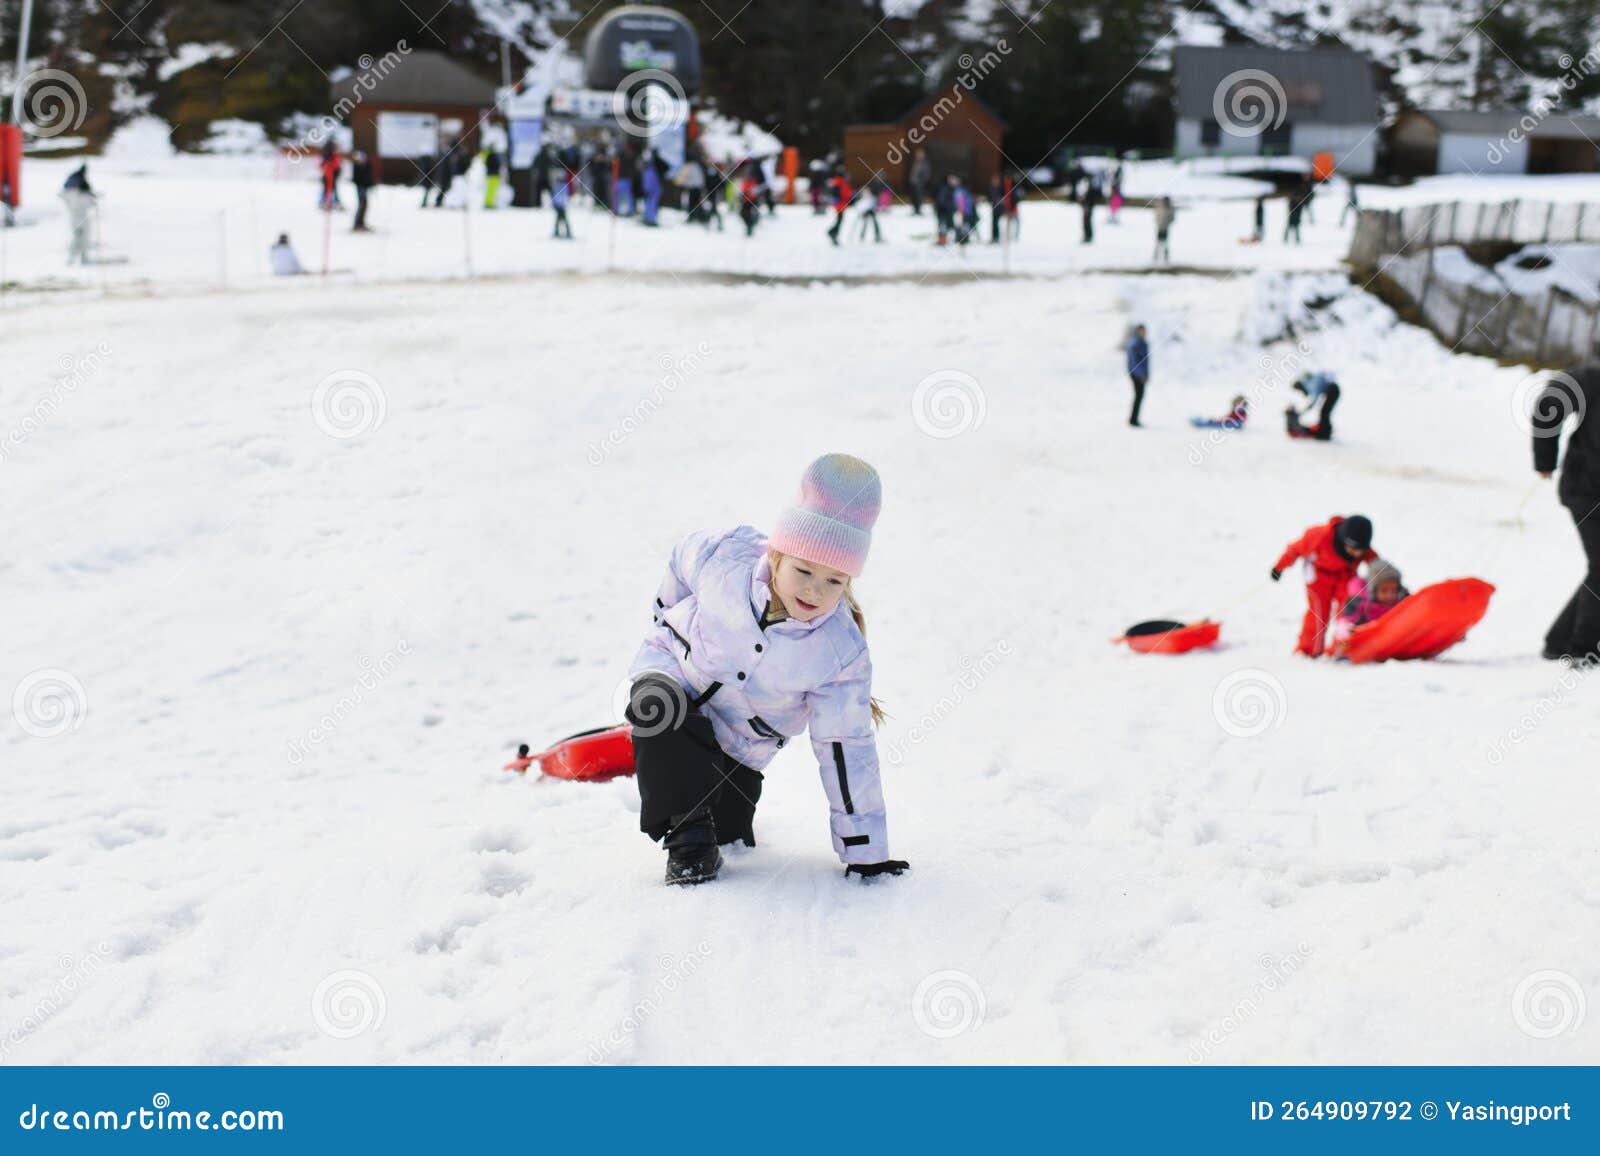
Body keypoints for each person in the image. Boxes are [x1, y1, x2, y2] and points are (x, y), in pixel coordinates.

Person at [623, 454, 906, 886]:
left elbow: (845, 747)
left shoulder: (838, 654)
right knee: (657, 708)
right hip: (672, 684)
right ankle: (689, 846)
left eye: (835, 581)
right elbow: (682, 558)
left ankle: (709, 821)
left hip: (735, 753)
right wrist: (666, 620)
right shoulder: (727, 556)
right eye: (804, 570)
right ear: (776, 556)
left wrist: (866, 851)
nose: (815, 589)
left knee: (731, 831)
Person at [1533, 368, 1600, 662]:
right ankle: (1582, 649)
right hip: (1585, 490)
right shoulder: (1593, 380)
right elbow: (1551, 401)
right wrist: (1545, 457)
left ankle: (1559, 640)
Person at [1271, 515, 1379, 657]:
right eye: (1352, 548)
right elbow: (1294, 550)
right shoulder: (1319, 537)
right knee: (1319, 613)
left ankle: (1343, 647)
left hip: (1344, 576)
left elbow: (1376, 564)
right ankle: (1309, 650)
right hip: (1319, 576)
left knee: (1349, 609)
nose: (1355, 553)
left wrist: (1387, 580)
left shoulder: (1362, 548)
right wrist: (1279, 568)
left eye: (1359, 550)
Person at [1332, 561, 1409, 651]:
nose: (1390, 595)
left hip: (1394, 642)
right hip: (1366, 642)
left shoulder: (1403, 600)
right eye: (1384, 591)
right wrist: (1345, 630)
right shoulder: (1359, 603)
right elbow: (1347, 621)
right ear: (1373, 591)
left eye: (1394, 590)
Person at [1286, 371, 1340, 440]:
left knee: (1324, 412)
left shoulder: (1311, 383)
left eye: (1299, 389)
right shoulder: (1310, 381)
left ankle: (1324, 433)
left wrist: (1305, 410)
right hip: (1333, 390)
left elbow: (1314, 398)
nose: (1301, 391)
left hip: (1333, 390)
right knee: (1324, 412)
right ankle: (1324, 431)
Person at [61, 164, 96, 265]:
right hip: (83, 219)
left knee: (76, 238)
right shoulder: (85, 195)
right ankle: (83, 258)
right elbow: (91, 203)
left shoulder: (71, 193)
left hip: (74, 219)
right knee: (83, 239)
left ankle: (72, 258)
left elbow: (64, 196)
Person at [1126, 324, 1150, 428]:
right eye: (1141, 331)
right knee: (1138, 395)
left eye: (1144, 331)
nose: (1143, 333)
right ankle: (1133, 419)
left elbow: (1146, 361)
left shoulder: (1143, 343)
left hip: (1142, 374)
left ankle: (1134, 418)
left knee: (1140, 396)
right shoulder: (1134, 344)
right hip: (1135, 374)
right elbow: (1134, 362)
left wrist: (1147, 374)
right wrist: (1140, 374)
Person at [826, 165, 853, 246]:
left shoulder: (839, 181)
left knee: (839, 220)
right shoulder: (838, 182)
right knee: (839, 221)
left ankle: (833, 233)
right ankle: (832, 232)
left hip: (842, 204)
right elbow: (837, 193)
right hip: (840, 204)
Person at [350, 150, 373, 232]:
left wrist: (370, 184)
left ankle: (361, 223)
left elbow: (368, 177)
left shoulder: (366, 165)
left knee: (364, 205)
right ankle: (357, 224)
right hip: (360, 188)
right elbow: (357, 179)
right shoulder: (357, 167)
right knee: (361, 205)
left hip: (364, 187)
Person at [640, 149, 663, 226]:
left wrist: (647, 189)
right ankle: (649, 218)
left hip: (652, 190)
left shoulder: (649, 170)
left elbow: (649, 181)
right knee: (650, 205)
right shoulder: (650, 169)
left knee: (651, 205)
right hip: (653, 189)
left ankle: (650, 219)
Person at [857, 176, 884, 242]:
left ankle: (876, 236)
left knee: (874, 223)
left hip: (871, 210)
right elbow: (862, 204)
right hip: (866, 210)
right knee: (866, 223)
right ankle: (862, 236)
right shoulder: (865, 196)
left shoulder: (872, 195)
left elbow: (874, 203)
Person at [934, 173, 958, 244]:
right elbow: (941, 200)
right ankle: (942, 240)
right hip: (943, 211)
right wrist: (948, 207)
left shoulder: (954, 189)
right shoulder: (945, 188)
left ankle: (947, 239)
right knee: (942, 226)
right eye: (953, 180)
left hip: (949, 212)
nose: (955, 182)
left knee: (949, 226)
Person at [318, 141, 342, 211]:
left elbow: (337, 166)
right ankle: (326, 202)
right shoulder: (328, 157)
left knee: (330, 190)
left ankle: (331, 202)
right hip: (328, 176)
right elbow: (337, 166)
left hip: (331, 176)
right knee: (327, 190)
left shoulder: (331, 157)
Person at [551, 166, 573, 239]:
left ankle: (566, 232)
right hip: (559, 206)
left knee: (562, 219)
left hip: (562, 205)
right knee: (559, 219)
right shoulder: (557, 185)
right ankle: (558, 232)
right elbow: (555, 195)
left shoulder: (564, 185)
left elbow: (565, 195)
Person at [909, 147, 931, 215]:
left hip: (920, 183)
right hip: (913, 182)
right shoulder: (914, 161)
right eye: (917, 153)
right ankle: (915, 209)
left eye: (920, 153)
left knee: (919, 196)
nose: (918, 155)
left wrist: (923, 181)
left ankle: (918, 210)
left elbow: (927, 173)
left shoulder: (925, 163)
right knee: (913, 196)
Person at [1153, 196, 1175, 263]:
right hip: (1159, 227)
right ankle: (1155, 257)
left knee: (1165, 244)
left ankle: (1166, 257)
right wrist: (1158, 223)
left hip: (1165, 228)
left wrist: (1167, 224)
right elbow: (1156, 216)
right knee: (1158, 243)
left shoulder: (1170, 208)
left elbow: (1172, 218)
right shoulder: (1159, 207)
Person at [482, 145, 503, 209]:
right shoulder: (491, 156)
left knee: (491, 190)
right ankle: (489, 203)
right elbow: (496, 165)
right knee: (491, 190)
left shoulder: (488, 155)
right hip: (493, 175)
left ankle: (489, 203)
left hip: (491, 175)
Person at [1081, 177, 1100, 243]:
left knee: (1087, 222)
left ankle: (1088, 236)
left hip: (1088, 208)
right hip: (1087, 207)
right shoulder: (1089, 189)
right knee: (1086, 222)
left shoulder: (1091, 190)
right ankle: (1087, 236)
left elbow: (1090, 200)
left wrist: (1087, 206)